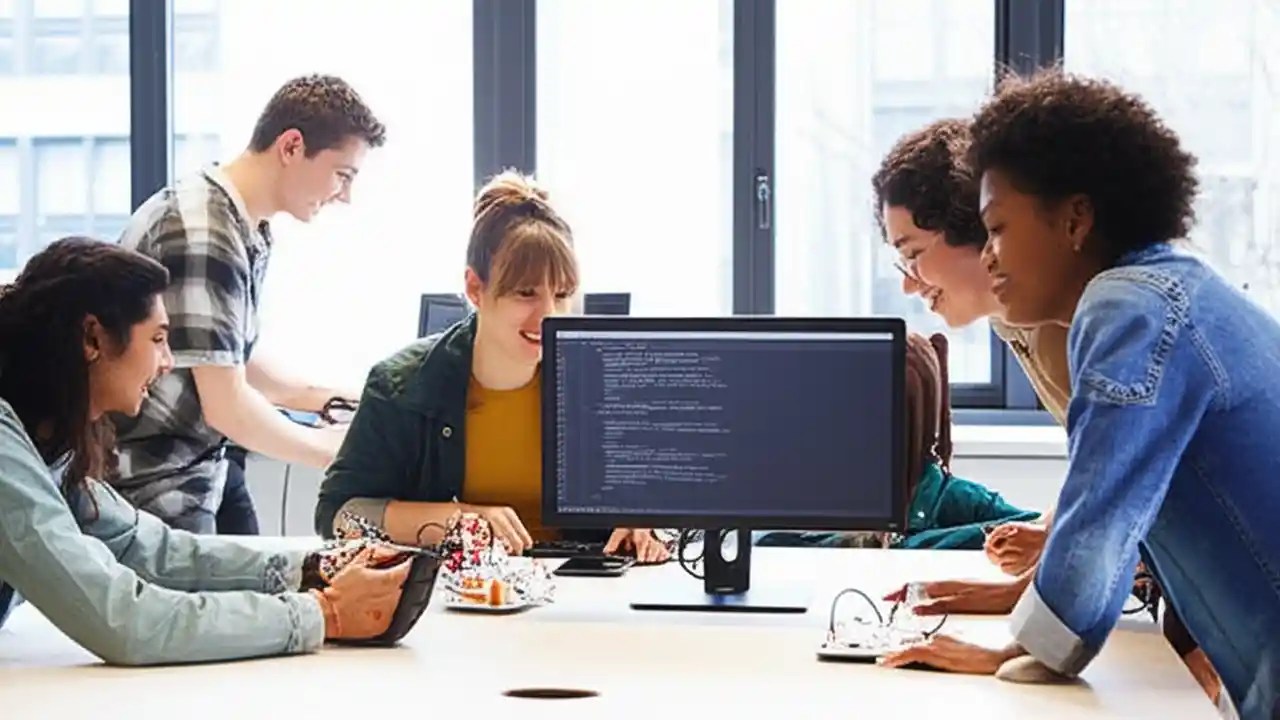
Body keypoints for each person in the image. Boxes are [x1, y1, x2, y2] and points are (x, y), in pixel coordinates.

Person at [877, 69, 1280, 720]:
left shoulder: (1128, 307)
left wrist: (1022, 651)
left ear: (1075, 219)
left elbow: (1103, 512)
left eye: (999, 229)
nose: (990, 257)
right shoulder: (1167, 290)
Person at [0, 237, 409, 664]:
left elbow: (148, 549)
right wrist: (325, 614)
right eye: (157, 338)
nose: (168, 362)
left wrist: (316, 569)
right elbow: (125, 619)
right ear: (92, 338)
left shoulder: (45, 439)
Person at [314, 170, 670, 563]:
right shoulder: (402, 385)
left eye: (564, 294)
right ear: (475, 289)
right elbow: (339, 516)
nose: (549, 315)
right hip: (458, 599)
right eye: (525, 293)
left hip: (583, 595)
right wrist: (459, 519)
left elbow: (665, 494)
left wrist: (647, 522)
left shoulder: (602, 381)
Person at [110, 73, 386, 535]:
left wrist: (338, 400)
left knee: (277, 583)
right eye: (343, 175)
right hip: (157, 483)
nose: (345, 196)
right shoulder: (204, 233)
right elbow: (227, 406)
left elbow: (226, 356)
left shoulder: (240, 223)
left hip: (205, 463)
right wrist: (337, 451)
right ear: (292, 146)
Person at [756, 331, 1039, 550]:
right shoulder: (818, 489)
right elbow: (770, 543)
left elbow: (1040, 534)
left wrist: (907, 546)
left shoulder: (957, 499)